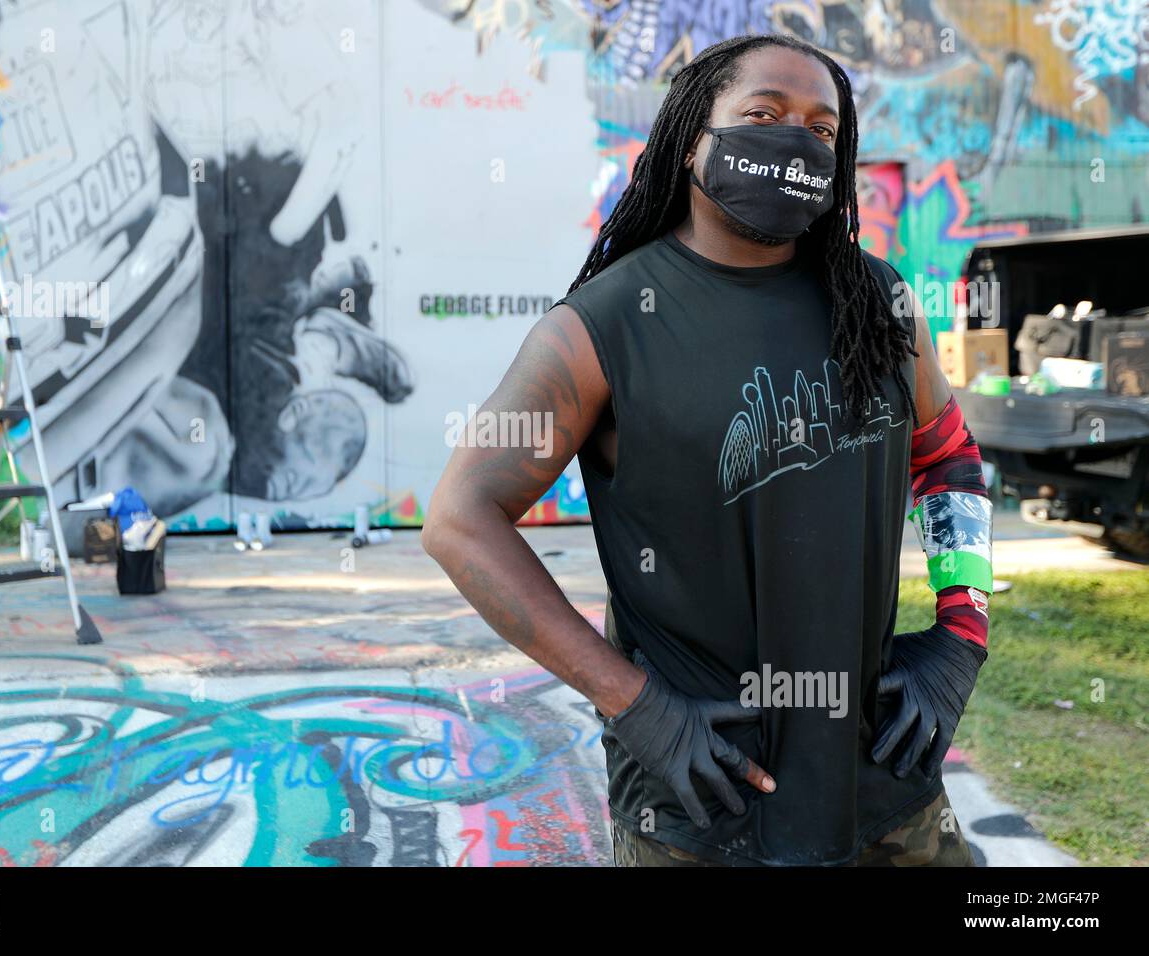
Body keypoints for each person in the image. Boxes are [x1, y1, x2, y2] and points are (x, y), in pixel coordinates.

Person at [422, 34, 992, 867]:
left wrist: (962, 632)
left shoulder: (880, 301)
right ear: (693, 139)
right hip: (703, 801)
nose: (796, 140)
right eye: (763, 114)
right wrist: (634, 705)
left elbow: (950, 461)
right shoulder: (606, 324)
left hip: (885, 786)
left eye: (822, 130)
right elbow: (460, 520)